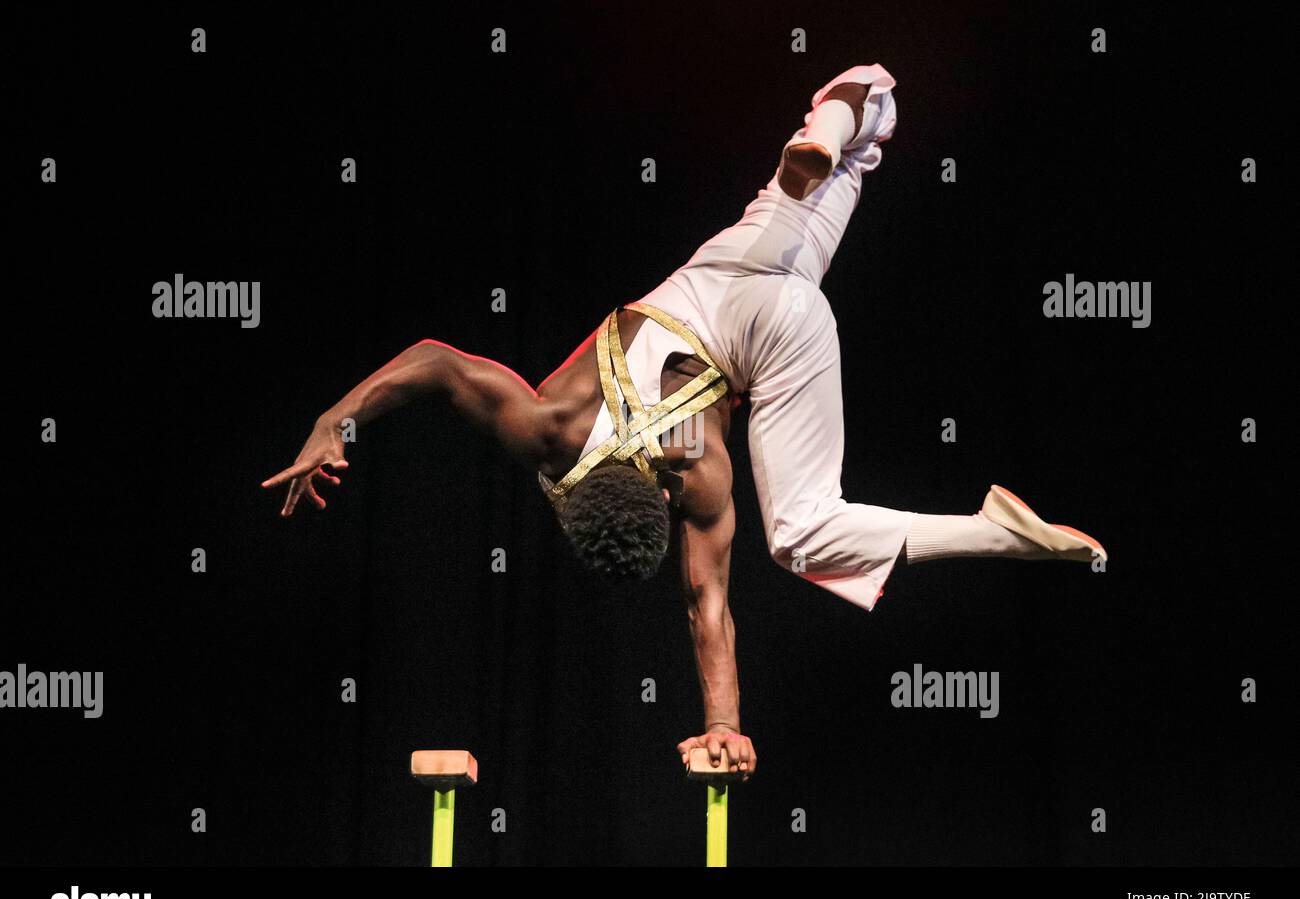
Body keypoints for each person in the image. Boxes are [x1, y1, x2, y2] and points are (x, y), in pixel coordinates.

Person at [262, 64, 1106, 783]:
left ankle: (995, 533)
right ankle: (837, 113)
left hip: (783, 333)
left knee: (802, 537)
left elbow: (708, 606)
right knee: (856, 119)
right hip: (729, 272)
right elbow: (437, 364)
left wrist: (725, 725)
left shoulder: (699, 484)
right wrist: (333, 420)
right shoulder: (544, 429)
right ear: (566, 502)